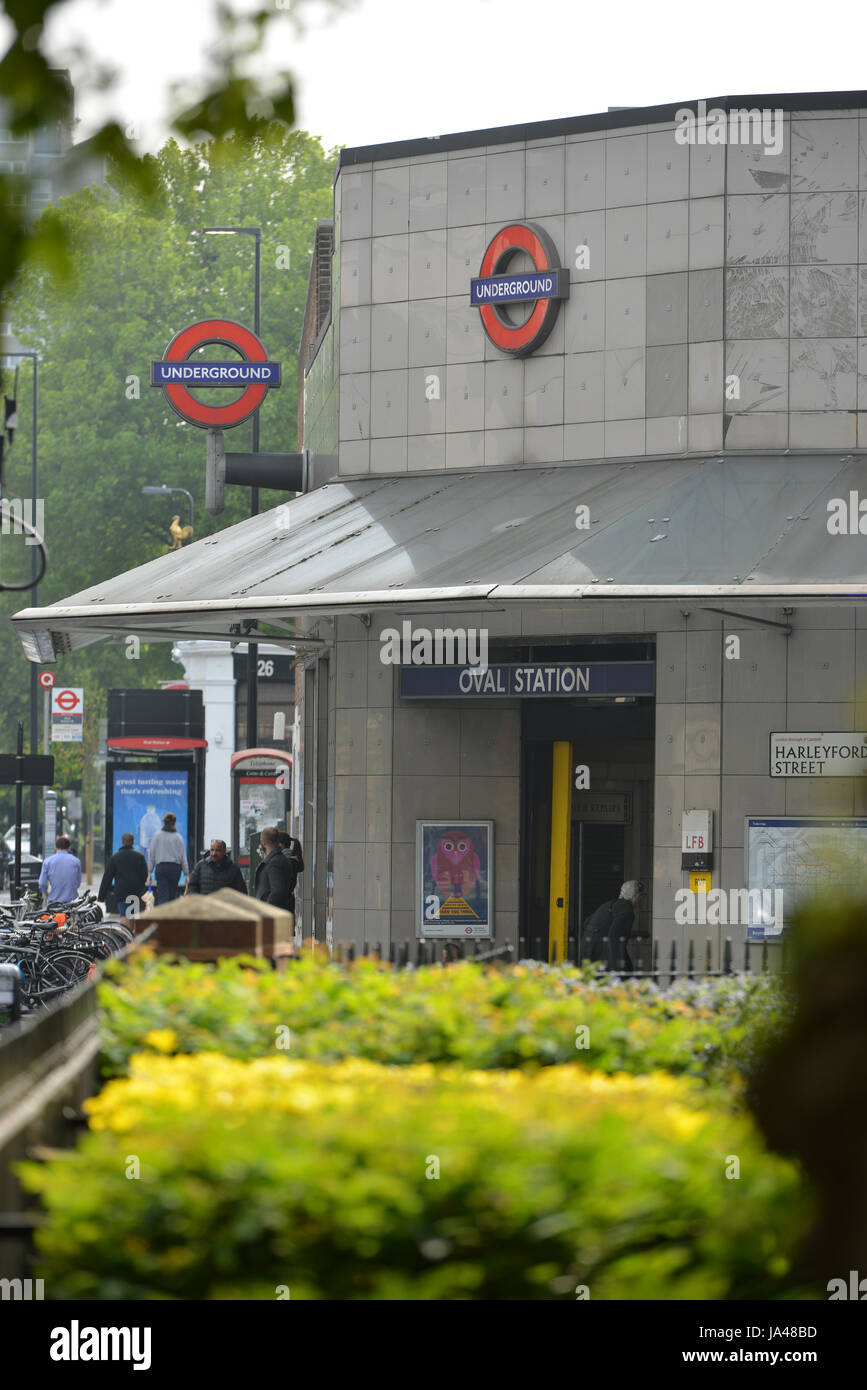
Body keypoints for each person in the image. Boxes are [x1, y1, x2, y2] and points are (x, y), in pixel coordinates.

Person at [582, 880, 644, 971]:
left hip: (587, 949)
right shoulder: (627, 911)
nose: (642, 899)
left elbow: (586, 923)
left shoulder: (611, 904)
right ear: (635, 895)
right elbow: (615, 937)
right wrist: (616, 967)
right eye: (642, 895)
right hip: (600, 953)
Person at [99, 831, 149, 923]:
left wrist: (101, 896)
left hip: (121, 892)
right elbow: (144, 875)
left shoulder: (115, 857)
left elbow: (107, 877)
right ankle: (132, 935)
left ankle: (124, 935)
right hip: (135, 891)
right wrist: (140, 887)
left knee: (124, 915)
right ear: (133, 842)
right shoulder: (140, 857)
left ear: (122, 842)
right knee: (132, 915)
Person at [146, 812, 189, 905]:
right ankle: (171, 916)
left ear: (164, 822)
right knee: (172, 896)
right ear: (175, 823)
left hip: (161, 868)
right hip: (175, 869)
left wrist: (149, 872)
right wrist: (187, 874)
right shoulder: (178, 837)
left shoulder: (157, 836)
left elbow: (151, 855)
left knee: (163, 895)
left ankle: (163, 917)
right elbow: (183, 857)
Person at [254, 825, 297, 915]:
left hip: (273, 917)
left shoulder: (274, 863)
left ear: (263, 842)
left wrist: (266, 912)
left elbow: (277, 891)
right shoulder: (282, 859)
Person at [38, 835, 82, 904]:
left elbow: (42, 883)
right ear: (69, 848)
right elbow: (78, 883)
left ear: (55, 847)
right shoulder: (76, 861)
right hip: (72, 902)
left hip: (54, 902)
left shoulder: (47, 861)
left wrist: (46, 893)